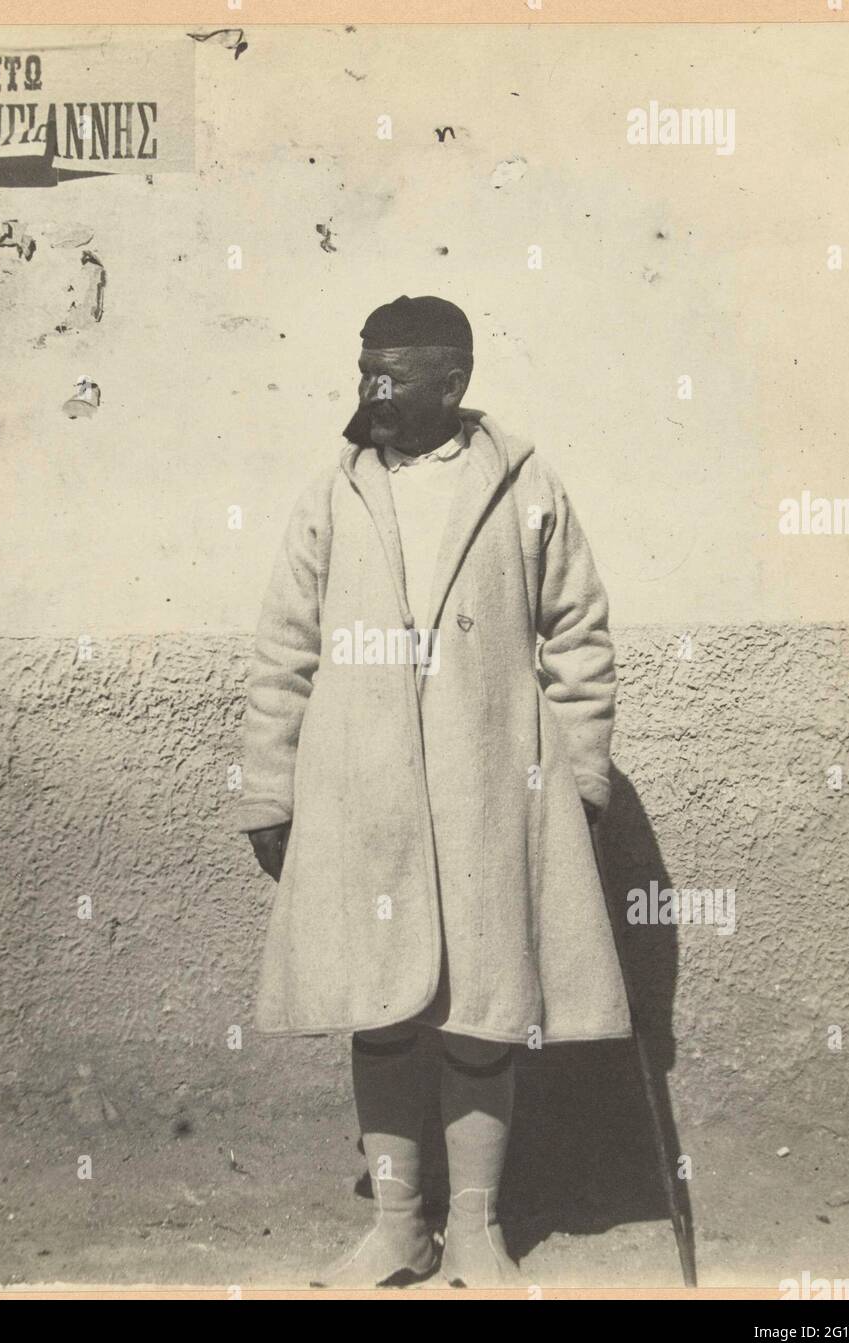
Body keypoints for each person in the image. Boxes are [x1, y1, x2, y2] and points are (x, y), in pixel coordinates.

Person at [238, 295, 632, 1288]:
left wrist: (577, 776)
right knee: (380, 1003)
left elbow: (580, 637)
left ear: (450, 383)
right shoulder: (335, 492)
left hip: (489, 790)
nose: (371, 393)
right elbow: (283, 651)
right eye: (363, 370)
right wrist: (270, 790)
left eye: (391, 375)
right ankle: (397, 1228)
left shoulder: (520, 482)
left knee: (481, 1006)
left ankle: (473, 1233)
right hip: (359, 794)